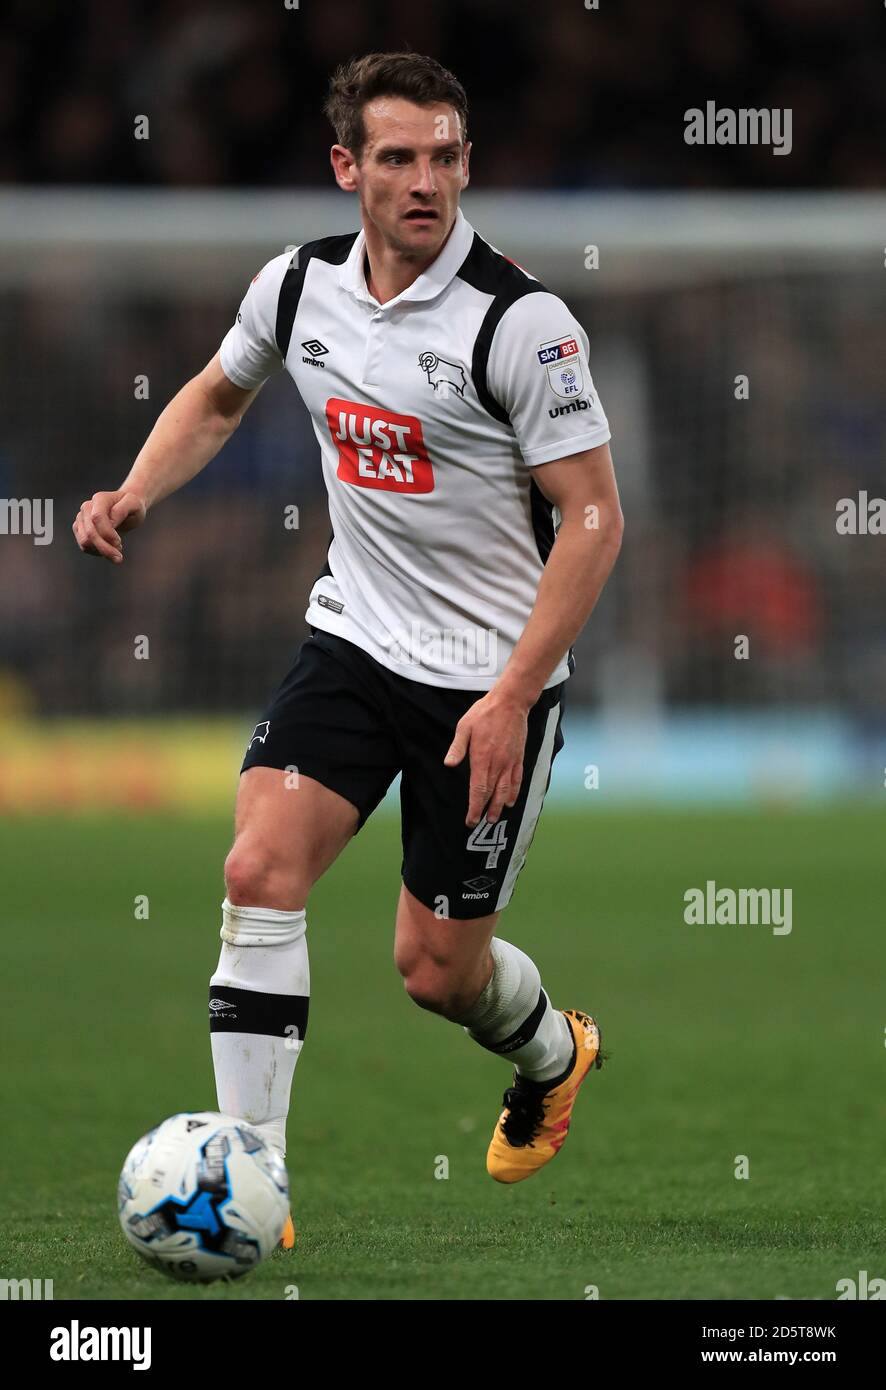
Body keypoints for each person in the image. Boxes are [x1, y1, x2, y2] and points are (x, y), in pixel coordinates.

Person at [72, 52, 623, 1245]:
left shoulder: (522, 324)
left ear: (465, 164)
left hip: (487, 678)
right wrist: (134, 490)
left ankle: (552, 1051)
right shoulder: (297, 286)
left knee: (435, 971)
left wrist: (514, 692)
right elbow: (218, 396)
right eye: (396, 158)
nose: (424, 181)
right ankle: (250, 1187)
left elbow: (593, 517)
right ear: (346, 170)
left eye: (444, 156)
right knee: (254, 872)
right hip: (353, 638)